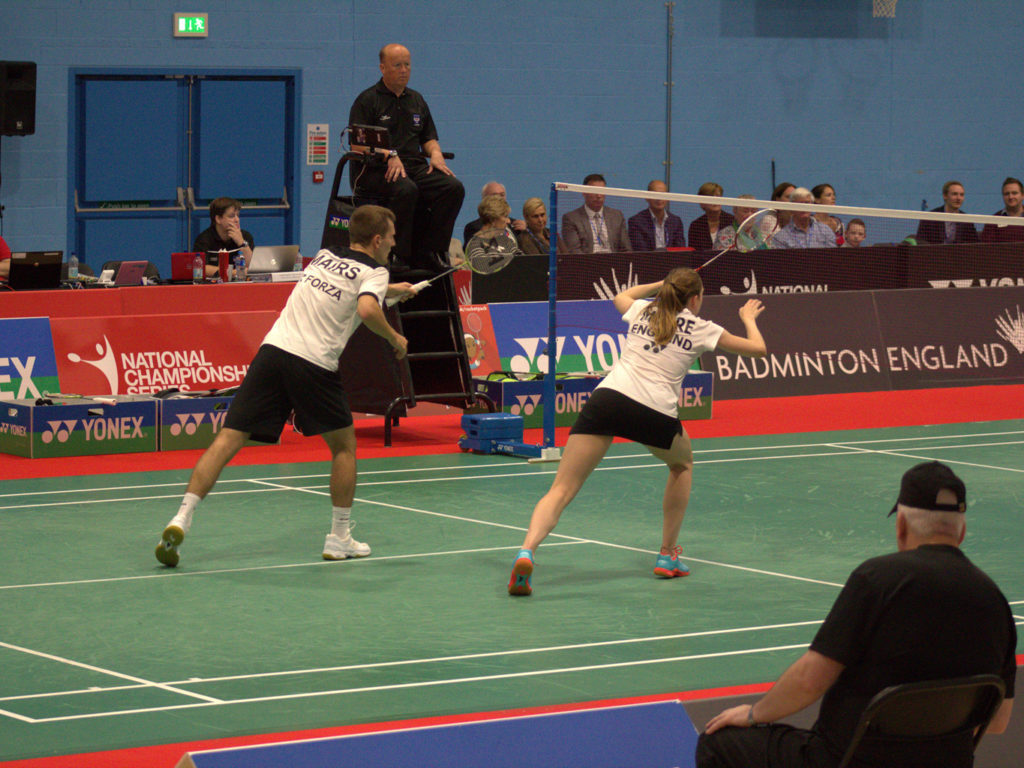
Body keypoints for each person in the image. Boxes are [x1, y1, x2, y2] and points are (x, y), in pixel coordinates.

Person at [696, 460, 1016, 768]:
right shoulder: (996, 602)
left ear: (901, 525)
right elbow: (998, 720)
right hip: (949, 762)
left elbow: (810, 680)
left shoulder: (877, 580)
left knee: (718, 744)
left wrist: (754, 714)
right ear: (960, 533)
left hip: (848, 760)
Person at [155, 205, 417, 567]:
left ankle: (180, 518)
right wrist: (394, 339)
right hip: (314, 362)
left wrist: (391, 290)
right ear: (376, 239)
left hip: (273, 352)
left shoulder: (324, 257)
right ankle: (339, 537)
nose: (393, 242)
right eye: (390, 236)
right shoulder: (375, 270)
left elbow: (347, 289)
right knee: (343, 447)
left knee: (228, 438)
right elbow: (368, 309)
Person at [507, 268, 766, 596]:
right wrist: (748, 317)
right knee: (681, 465)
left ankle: (527, 550)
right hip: (653, 411)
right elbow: (758, 349)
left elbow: (621, 296)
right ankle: (668, 555)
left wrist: (662, 283)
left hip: (609, 398)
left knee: (561, 488)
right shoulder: (703, 329)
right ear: (696, 298)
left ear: (667, 291)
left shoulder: (645, 310)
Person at [348, 43, 465, 271]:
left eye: (407, 65)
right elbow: (357, 144)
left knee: (452, 187)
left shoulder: (417, 100)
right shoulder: (368, 100)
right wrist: (389, 154)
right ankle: (396, 255)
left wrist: (436, 155)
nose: (404, 70)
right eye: (397, 65)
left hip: (413, 166)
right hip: (375, 169)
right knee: (406, 189)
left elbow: (428, 138)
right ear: (382, 68)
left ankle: (432, 252)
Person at [561, 173, 631, 253]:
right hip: (587, 263)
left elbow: (626, 249)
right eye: (594, 191)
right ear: (584, 192)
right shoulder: (571, 218)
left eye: (602, 191)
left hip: (614, 262)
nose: (599, 195)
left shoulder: (617, 216)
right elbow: (574, 251)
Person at [192, 197, 254, 279]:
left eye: (238, 215)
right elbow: (201, 267)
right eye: (231, 216)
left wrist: (241, 243)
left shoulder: (245, 236)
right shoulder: (204, 239)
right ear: (218, 219)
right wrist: (231, 272)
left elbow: (252, 265)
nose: (237, 219)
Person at [628, 179, 687, 251]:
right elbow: (640, 250)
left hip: (671, 261)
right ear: (647, 197)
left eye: (662, 194)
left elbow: (680, 249)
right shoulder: (636, 221)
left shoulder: (676, 221)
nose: (659, 199)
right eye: (655, 195)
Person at [915, 180, 979, 245]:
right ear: (945, 196)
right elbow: (920, 241)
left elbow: (975, 244)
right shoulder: (930, 218)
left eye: (961, 195)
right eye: (954, 194)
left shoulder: (967, 220)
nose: (958, 198)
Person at [464, 194, 525, 263]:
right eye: (505, 216)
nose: (508, 221)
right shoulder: (475, 245)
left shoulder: (505, 240)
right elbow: (484, 268)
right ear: (493, 220)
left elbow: (524, 262)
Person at [771, 187, 838, 248]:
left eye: (807, 203)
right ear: (791, 208)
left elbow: (832, 257)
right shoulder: (781, 237)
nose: (804, 207)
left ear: (812, 205)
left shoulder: (825, 231)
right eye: (799, 204)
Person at [687, 182, 734, 251]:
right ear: (702, 203)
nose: (715, 200)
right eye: (711, 197)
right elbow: (693, 254)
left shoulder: (732, 222)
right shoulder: (696, 226)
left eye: (718, 196)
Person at [980, 176, 1024, 243]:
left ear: (1022, 195)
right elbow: (986, 249)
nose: (1010, 197)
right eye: (1007, 194)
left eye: (1014, 193)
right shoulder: (992, 222)